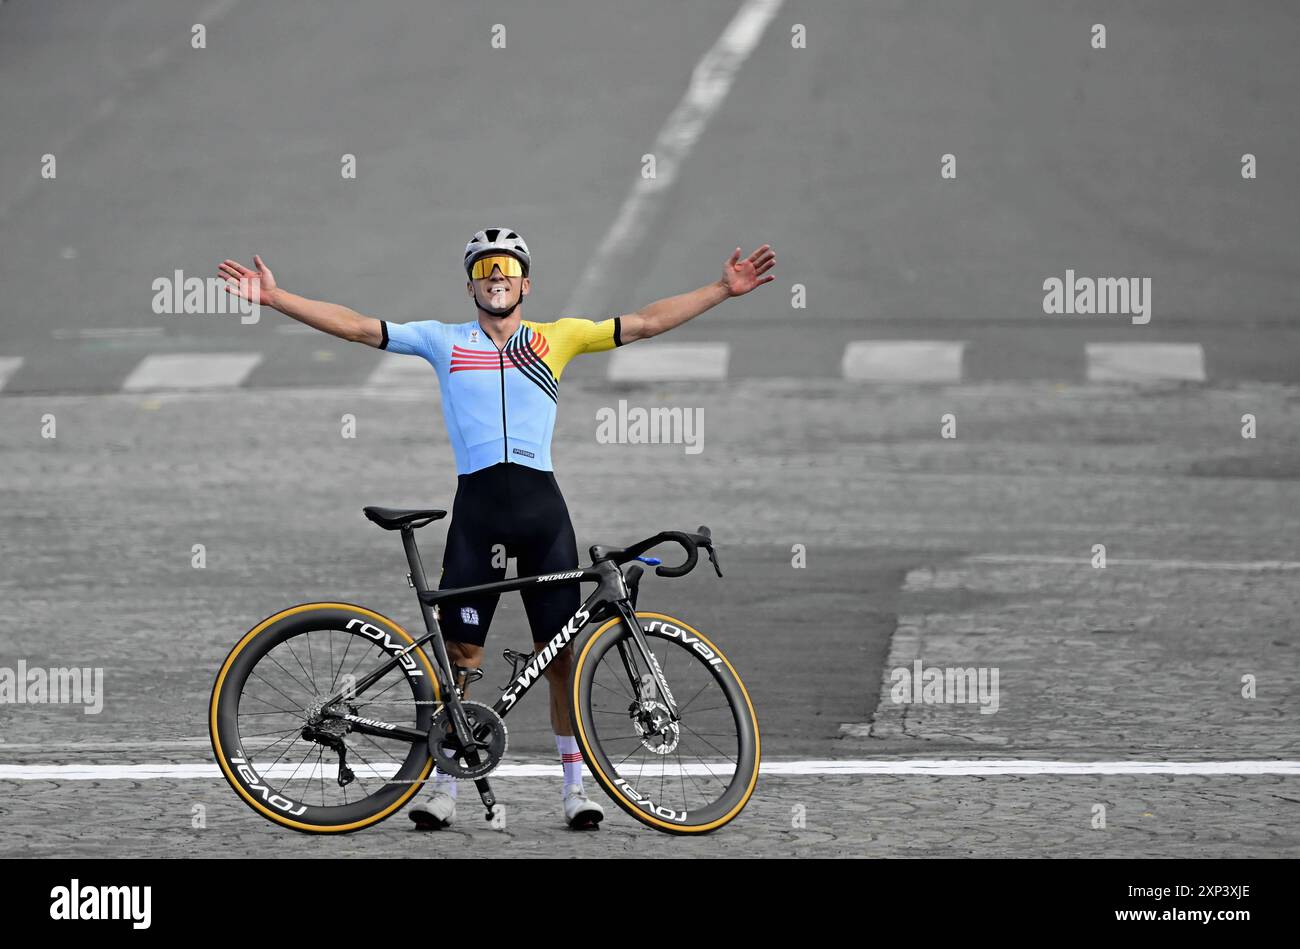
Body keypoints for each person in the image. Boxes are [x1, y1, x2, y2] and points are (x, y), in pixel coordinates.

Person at [219, 229, 774, 829]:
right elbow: (358, 326)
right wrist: (279, 300)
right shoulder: (443, 340)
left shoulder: (556, 339)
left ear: (525, 283)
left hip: (543, 514)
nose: (496, 275)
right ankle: (446, 790)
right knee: (460, 654)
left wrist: (722, 288)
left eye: (507, 267)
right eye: (485, 268)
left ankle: (574, 791)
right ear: (471, 285)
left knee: (560, 658)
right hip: (478, 514)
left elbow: (642, 322)